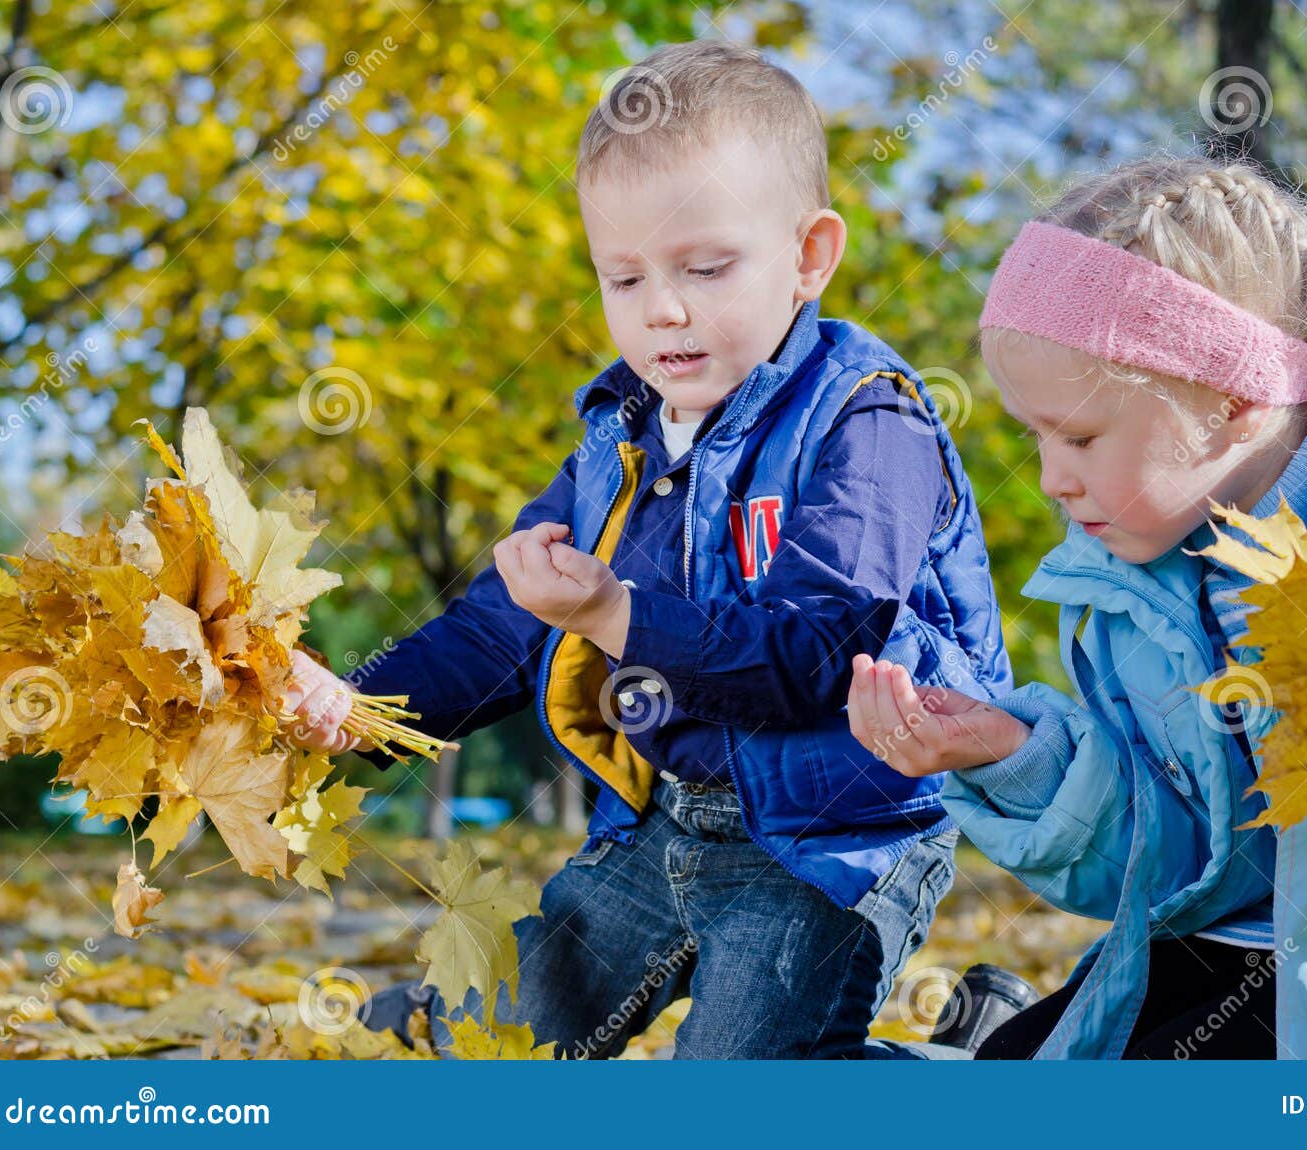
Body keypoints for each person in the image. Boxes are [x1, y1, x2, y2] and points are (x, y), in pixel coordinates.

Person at [283, 39, 1015, 1059]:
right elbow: (505, 623)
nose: (660, 307)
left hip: (827, 837)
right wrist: (358, 707)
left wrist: (612, 614)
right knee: (509, 1041)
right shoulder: (622, 430)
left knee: (736, 1079)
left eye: (704, 268)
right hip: (662, 816)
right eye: (622, 277)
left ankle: (992, 1060)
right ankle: (426, 1037)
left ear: (809, 257)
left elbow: (814, 653)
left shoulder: (864, 422)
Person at [849, 155, 1307, 1059]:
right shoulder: (1153, 577)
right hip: (1266, 937)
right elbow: (1203, 865)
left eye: (1079, 436)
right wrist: (1022, 760)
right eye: (1033, 435)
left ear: (1232, 399)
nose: (1051, 479)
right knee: (1039, 1061)